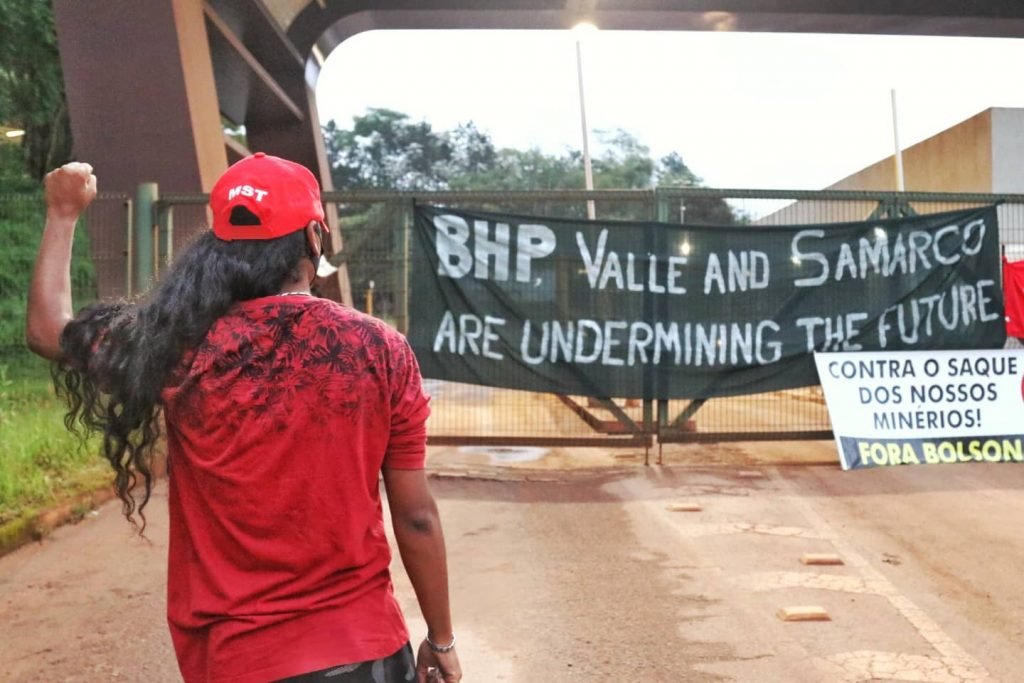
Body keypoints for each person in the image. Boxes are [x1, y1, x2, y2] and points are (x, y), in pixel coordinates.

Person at [26, 155, 462, 683]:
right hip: (361, 647)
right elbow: (416, 516)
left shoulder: (175, 346)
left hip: (234, 660)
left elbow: (51, 331)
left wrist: (63, 213)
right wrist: (440, 639)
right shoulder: (379, 348)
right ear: (313, 238)